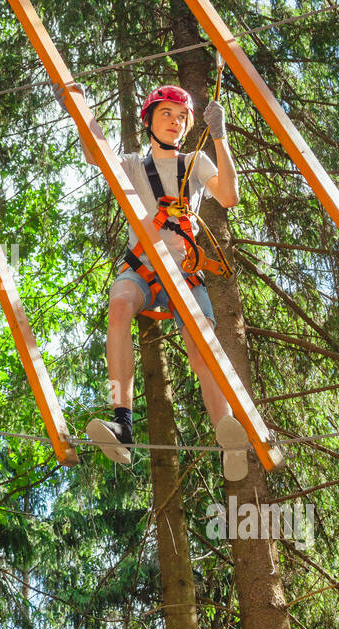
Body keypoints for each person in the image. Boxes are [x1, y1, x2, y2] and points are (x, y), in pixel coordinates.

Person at [86, 84, 239, 464]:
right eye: (166, 114)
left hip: (183, 274)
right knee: (119, 306)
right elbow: (95, 154)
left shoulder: (194, 163)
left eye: (181, 116)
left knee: (202, 348)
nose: (174, 121)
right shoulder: (134, 165)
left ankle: (228, 435)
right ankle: (121, 422)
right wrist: (81, 113)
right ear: (149, 121)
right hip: (142, 266)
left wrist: (219, 136)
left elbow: (230, 196)